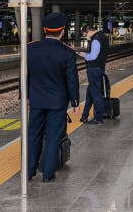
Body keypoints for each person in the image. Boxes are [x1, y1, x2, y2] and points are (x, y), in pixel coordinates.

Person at [27, 12, 80, 183]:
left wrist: (25, 95)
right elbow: (72, 80)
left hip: (36, 101)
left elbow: (24, 74)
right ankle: (48, 174)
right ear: (62, 31)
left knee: (33, 135)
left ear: (44, 30)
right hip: (57, 103)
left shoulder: (30, 49)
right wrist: (75, 102)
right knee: (53, 138)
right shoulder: (67, 53)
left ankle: (29, 171)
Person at [78, 25, 108, 125]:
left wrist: (84, 55)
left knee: (96, 95)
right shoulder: (103, 37)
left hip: (94, 69)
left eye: (85, 34)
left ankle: (98, 119)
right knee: (90, 93)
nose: (86, 36)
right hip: (99, 68)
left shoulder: (96, 40)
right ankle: (84, 116)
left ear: (89, 31)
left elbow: (93, 56)